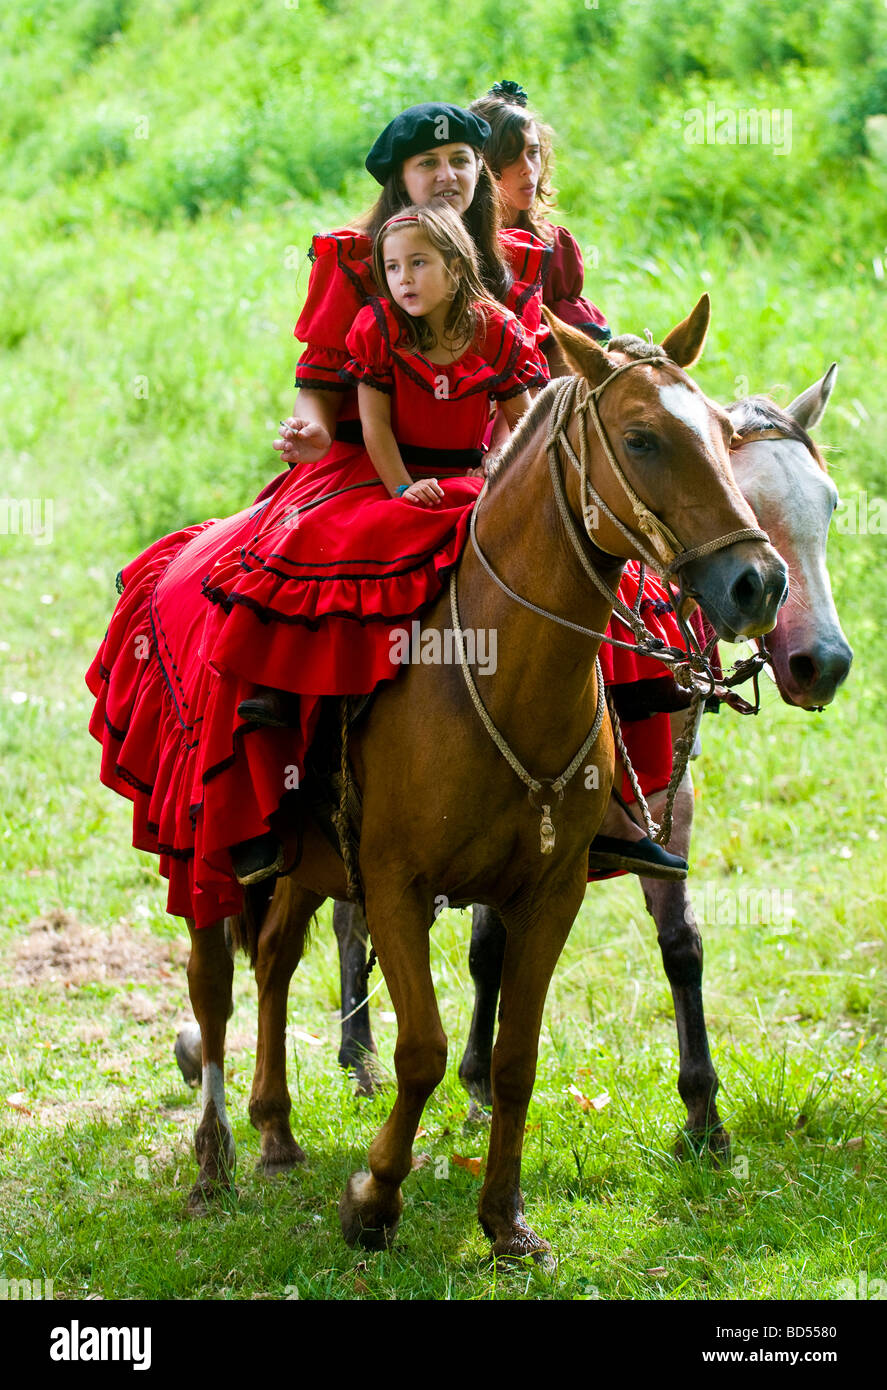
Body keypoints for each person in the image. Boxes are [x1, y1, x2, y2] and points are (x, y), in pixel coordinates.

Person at [85, 152, 544, 927]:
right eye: (425, 163)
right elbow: (355, 415)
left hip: (478, 477)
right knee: (305, 549)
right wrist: (336, 445)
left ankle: (606, 787)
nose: (447, 174)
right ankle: (275, 713)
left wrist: (511, 476)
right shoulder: (367, 306)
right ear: (396, 179)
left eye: (460, 160)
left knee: (581, 563)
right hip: (375, 472)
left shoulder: (511, 296)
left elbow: (523, 413)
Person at [227, 201, 539, 877]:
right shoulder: (375, 329)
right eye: (393, 267)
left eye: (419, 264)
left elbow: (524, 418)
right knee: (327, 537)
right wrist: (400, 488)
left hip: (473, 480)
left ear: (456, 269)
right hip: (395, 479)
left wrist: (496, 467)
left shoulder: (500, 332)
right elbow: (373, 426)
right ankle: (289, 691)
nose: (403, 278)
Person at [471, 81, 690, 879]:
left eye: (535, 154)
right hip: (474, 445)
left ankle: (621, 794)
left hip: (555, 441)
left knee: (633, 582)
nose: (527, 170)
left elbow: (581, 338)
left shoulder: (553, 249)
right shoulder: (449, 251)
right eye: (508, 158)